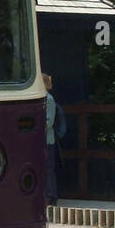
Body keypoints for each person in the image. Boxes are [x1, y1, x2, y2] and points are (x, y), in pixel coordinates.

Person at [43, 73, 65, 204]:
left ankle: (51, 196)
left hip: (47, 140)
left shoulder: (49, 99)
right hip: (40, 140)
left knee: (48, 168)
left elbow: (48, 121)